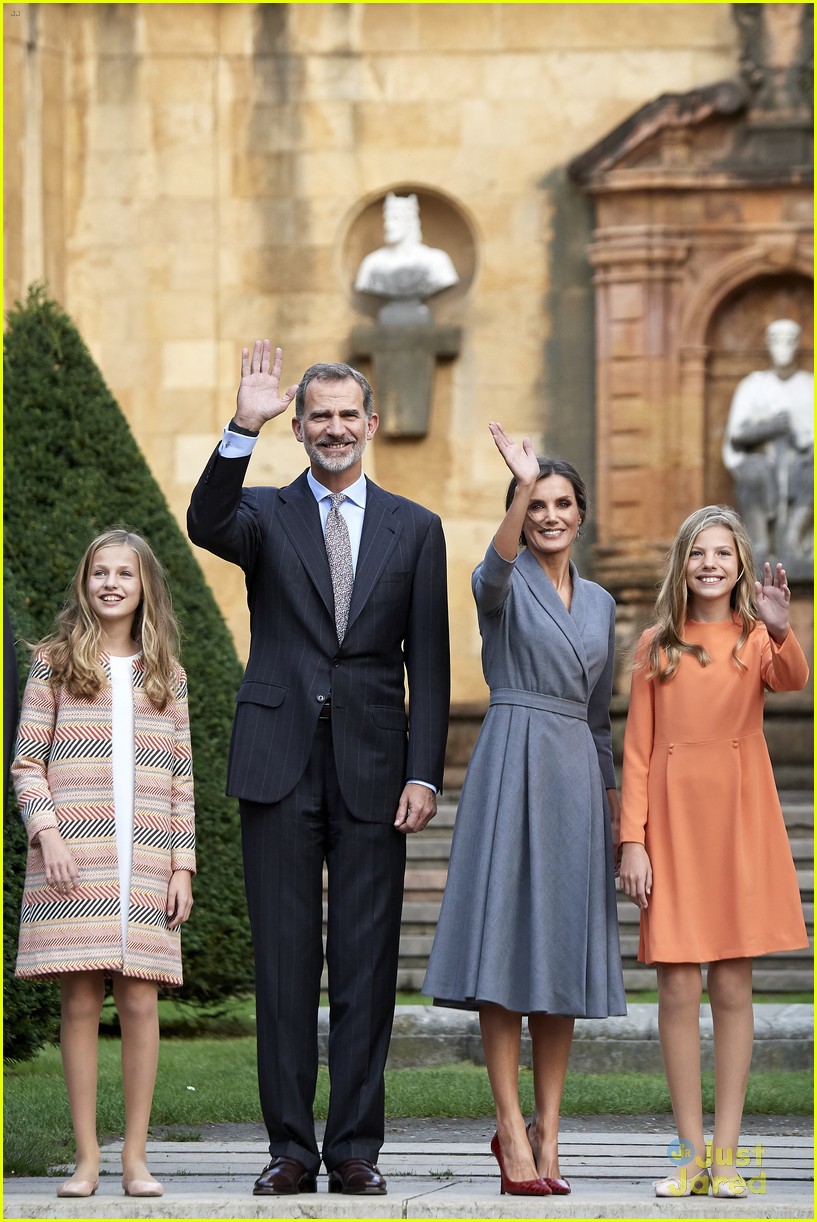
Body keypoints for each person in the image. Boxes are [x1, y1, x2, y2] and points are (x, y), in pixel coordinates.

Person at [187, 340, 450, 1196]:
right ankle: (291, 1149)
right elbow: (204, 523)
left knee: (368, 964)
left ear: (371, 425)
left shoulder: (417, 527)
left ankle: (355, 1149)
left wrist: (424, 772)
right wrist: (239, 428)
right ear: (297, 428)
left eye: (348, 415)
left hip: (377, 767)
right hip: (278, 762)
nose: (334, 428)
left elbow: (433, 665)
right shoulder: (263, 514)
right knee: (285, 965)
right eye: (319, 416)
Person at [423, 425, 625, 1196]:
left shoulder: (603, 603)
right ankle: (508, 1127)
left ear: (581, 514)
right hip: (510, 758)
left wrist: (611, 808)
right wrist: (516, 479)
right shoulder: (502, 584)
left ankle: (549, 1129)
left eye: (559, 502)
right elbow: (490, 574)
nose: (547, 514)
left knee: (558, 960)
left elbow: (602, 716)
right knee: (507, 952)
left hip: (575, 772)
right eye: (534, 503)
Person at [618, 505, 808, 1199]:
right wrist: (631, 842)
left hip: (736, 820)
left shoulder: (757, 639)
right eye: (697, 552)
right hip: (670, 825)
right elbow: (636, 752)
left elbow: (792, 680)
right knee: (674, 984)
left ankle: (726, 1157)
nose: (708, 564)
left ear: (738, 564)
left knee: (731, 982)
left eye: (721, 554)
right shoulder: (654, 646)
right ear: (681, 562)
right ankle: (689, 1152)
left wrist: (783, 627)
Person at [12, 529, 196, 1199]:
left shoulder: (166, 675)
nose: (111, 582)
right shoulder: (54, 663)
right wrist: (49, 833)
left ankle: (136, 1157)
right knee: (81, 1001)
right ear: (85, 584)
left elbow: (180, 779)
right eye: (99, 572)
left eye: (124, 572)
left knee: (141, 1000)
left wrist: (183, 866)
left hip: (145, 862)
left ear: (145, 584)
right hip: (77, 861)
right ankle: (87, 1158)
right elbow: (27, 765)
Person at [722, 318, 813, 567]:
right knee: (753, 471)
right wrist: (769, 428)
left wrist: (802, 443)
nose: (782, 346)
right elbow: (737, 436)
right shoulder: (754, 386)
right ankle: (760, 542)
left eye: (788, 340)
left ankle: (795, 538)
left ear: (797, 345)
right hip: (762, 462)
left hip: (801, 463)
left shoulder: (810, 386)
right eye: (776, 340)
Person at [355, 192, 459, 302]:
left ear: (410, 221)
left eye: (395, 218)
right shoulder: (372, 263)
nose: (388, 225)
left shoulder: (437, 260)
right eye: (386, 219)